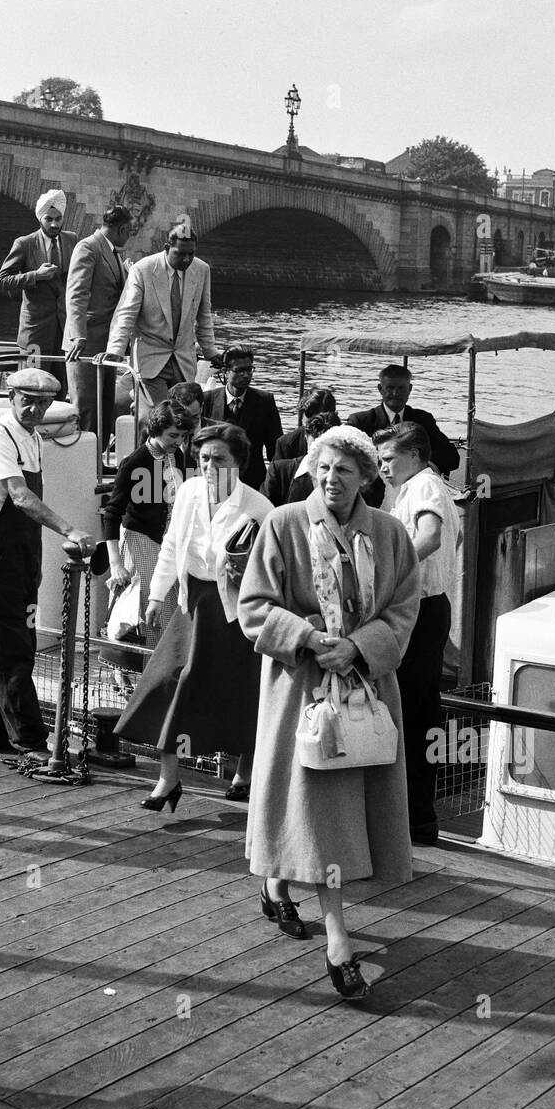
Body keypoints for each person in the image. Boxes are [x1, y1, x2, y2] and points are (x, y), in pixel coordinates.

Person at [239, 424, 419, 1000]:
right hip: (302, 694)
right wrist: (311, 639)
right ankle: (338, 941)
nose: (330, 479)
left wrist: (359, 646)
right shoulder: (283, 524)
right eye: (322, 468)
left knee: (319, 815)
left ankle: (276, 881)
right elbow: (253, 608)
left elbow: (404, 610)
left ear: (366, 476)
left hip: (365, 696)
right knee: (317, 812)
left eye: (343, 470)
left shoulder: (391, 535)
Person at [115, 422, 272, 808]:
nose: (209, 466)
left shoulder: (259, 506)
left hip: (234, 610)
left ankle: (244, 774)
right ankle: (169, 779)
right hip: (193, 601)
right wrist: (155, 597)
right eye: (203, 458)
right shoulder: (187, 491)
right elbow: (171, 544)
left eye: (219, 459)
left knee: (239, 690)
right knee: (167, 679)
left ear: (239, 463)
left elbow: (269, 567)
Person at [0, 368, 98, 769]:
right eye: (28, 400)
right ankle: (30, 740)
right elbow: (19, 497)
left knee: (5, 639)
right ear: (10, 396)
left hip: (20, 549)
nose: (36, 409)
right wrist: (70, 529)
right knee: (10, 646)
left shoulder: (33, 437)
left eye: (43, 403)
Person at [376, 423, 460, 846]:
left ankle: (417, 820)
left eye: (389, 459)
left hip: (422, 611)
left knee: (410, 709)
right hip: (426, 607)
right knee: (413, 708)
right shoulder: (418, 488)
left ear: (414, 455)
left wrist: (386, 569)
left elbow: (429, 536)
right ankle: (412, 818)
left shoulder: (425, 486)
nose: (382, 467)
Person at [103, 213, 222, 409]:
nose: (186, 259)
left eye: (191, 254)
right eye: (180, 254)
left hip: (183, 361)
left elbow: (204, 316)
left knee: (183, 415)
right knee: (160, 416)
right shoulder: (143, 270)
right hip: (150, 359)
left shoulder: (202, 270)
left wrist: (210, 351)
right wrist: (115, 351)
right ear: (167, 248)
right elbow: (126, 314)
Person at [102, 400, 190, 653]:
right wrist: (116, 563)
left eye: (182, 436)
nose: (179, 441)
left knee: (168, 602)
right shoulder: (134, 462)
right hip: (140, 538)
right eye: (173, 435)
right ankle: (135, 668)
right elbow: (112, 513)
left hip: (167, 538)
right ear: (156, 430)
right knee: (146, 604)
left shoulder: (178, 455)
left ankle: (158, 665)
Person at [63, 204, 135, 441]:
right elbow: (76, 294)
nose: (130, 236)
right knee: (87, 406)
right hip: (85, 343)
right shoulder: (88, 247)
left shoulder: (113, 252)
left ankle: (99, 460)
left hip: (106, 345)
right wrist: (78, 335)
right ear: (122, 228)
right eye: (129, 231)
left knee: (104, 407)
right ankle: (84, 462)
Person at [0, 189, 78, 389]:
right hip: (35, 332)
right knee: (32, 387)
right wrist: (36, 276)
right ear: (40, 218)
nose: (54, 224)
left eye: (58, 219)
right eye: (49, 219)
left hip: (63, 331)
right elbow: (1, 281)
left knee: (59, 388)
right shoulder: (25, 244)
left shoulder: (72, 240)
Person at [345, 364, 460, 477]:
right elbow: (343, 456)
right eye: (390, 388)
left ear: (409, 389)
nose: (395, 394)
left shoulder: (424, 420)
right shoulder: (360, 422)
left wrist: (419, 462)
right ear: (380, 389)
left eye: (401, 388)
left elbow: (451, 457)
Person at [203, 346, 283, 490]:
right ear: (226, 372)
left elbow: (275, 449)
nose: (246, 375)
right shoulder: (208, 400)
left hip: (253, 482)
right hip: (215, 481)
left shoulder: (265, 401)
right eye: (239, 371)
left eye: (249, 369)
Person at [260, 410, 338, 506]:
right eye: (314, 446)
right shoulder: (280, 473)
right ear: (306, 438)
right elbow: (262, 513)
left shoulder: (348, 475)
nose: (319, 454)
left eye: (326, 447)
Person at [273, 387, 337, 461]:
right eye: (310, 414)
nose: (314, 421)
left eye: (322, 416)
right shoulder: (286, 444)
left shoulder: (347, 440)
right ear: (301, 414)